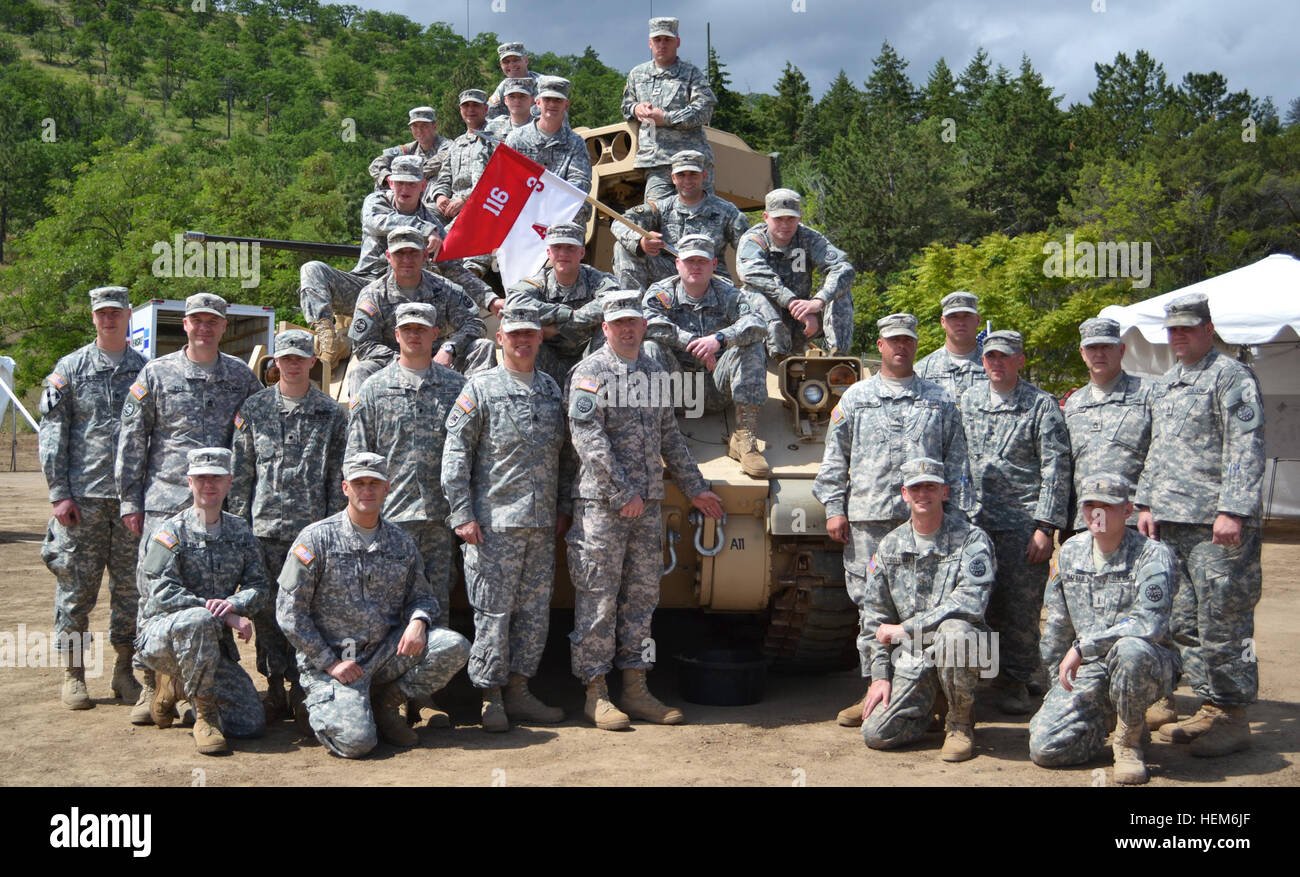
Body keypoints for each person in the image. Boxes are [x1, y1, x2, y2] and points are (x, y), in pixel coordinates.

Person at [567, 291, 723, 729]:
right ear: (605, 328)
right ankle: (595, 692)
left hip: (648, 503)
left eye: (633, 321)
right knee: (598, 599)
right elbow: (588, 440)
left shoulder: (654, 370)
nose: (627, 328)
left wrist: (695, 488)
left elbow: (670, 435)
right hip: (604, 506)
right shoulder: (590, 372)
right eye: (618, 323)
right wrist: (622, 494)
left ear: (643, 325)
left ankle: (636, 688)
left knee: (642, 599)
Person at [813, 313, 973, 727]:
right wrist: (834, 507)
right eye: (892, 341)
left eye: (907, 341)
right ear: (880, 346)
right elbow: (835, 458)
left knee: (930, 607)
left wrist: (958, 517)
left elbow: (957, 464)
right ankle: (874, 688)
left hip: (926, 521)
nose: (900, 347)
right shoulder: (855, 398)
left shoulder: (940, 400)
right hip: (870, 520)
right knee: (871, 607)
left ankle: (932, 693)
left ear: (916, 345)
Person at [116, 292, 262, 724]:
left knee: (214, 593)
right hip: (164, 502)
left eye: (212, 321)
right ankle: (151, 687)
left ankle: (201, 683)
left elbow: (252, 439)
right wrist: (130, 499)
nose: (204, 328)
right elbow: (132, 438)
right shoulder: (156, 373)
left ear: (223, 326)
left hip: (219, 506)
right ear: (185, 324)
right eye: (196, 320)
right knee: (153, 594)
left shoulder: (240, 378)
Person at [1136, 292, 1265, 756]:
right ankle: (1210, 706)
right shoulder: (1168, 382)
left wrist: (1233, 509)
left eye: (1189, 327)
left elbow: (1245, 448)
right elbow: (1157, 449)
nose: (1180, 336)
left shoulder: (1231, 376)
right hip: (1171, 523)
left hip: (1216, 526)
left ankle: (1234, 716)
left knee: (1224, 620)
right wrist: (1146, 503)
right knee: (1184, 621)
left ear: (1209, 329)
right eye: (1173, 329)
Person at [277, 452, 471, 758]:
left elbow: (422, 597)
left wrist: (418, 622)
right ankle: (314, 700)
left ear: (387, 488)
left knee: (454, 645)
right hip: (334, 661)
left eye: (374, 484)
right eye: (359, 483)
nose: (367, 490)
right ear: (345, 488)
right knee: (357, 743)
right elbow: (289, 613)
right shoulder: (315, 540)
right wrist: (330, 663)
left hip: (383, 654)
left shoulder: (400, 542)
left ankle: (386, 704)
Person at [442, 301, 574, 732]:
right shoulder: (479, 389)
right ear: (500, 338)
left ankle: (519, 691)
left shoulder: (551, 390)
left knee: (534, 613)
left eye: (529, 334)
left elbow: (566, 457)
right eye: (513, 333)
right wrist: (461, 513)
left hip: (539, 525)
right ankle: (490, 696)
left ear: (538, 338)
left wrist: (563, 507)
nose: (521, 340)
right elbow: (455, 454)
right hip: (492, 525)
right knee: (493, 614)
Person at [228, 329, 347, 721]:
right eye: (286, 358)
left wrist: (332, 531)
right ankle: (274, 685)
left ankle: (302, 685)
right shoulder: (254, 410)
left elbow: (335, 478)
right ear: (274, 363)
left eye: (301, 358)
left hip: (311, 533)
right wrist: (239, 528)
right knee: (267, 614)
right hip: (263, 531)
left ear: (313, 362)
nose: (293, 364)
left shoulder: (331, 413)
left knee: (306, 613)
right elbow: (242, 474)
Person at [1030, 472, 1179, 784]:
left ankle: (1130, 741)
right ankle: (1108, 719)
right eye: (1090, 506)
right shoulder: (1070, 553)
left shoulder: (1153, 555)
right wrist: (1051, 685)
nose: (1096, 514)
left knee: (1130, 649)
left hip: (1147, 661)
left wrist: (1084, 647)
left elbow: (1148, 623)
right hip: (1090, 667)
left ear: (1128, 511)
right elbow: (1058, 624)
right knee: (1045, 748)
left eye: (1107, 506)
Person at [38, 286, 146, 709]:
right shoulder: (70, 368)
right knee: (76, 590)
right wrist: (59, 493)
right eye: (102, 313)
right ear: (93, 316)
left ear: (128, 315)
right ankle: (74, 672)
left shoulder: (144, 370)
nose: (109, 319)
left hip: (127, 505)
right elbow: (52, 435)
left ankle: (124, 671)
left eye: (116, 312)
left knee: (130, 592)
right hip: (81, 503)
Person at [958, 329, 1070, 715]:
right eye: (990, 356)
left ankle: (1018, 680)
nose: (996, 363)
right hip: (975, 525)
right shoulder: (967, 401)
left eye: (1005, 356)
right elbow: (958, 459)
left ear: (1020, 360)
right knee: (977, 605)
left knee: (1021, 611)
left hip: (1023, 526)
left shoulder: (1041, 405)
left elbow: (1056, 469)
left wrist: (1045, 527)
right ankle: (981, 677)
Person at [299, 155, 494, 368]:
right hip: (365, 288)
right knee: (312, 269)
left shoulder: (435, 226)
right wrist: (425, 229)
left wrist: (492, 300)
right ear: (390, 182)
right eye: (399, 182)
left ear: (423, 185)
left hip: (406, 297)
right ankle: (329, 339)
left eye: (411, 183)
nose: (404, 189)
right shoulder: (377, 202)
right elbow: (376, 222)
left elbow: (455, 271)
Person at [860, 457, 996, 762]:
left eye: (931, 487)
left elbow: (971, 603)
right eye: (916, 487)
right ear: (905, 494)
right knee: (876, 734)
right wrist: (880, 676)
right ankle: (929, 707)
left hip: (966, 650)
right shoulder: (889, 547)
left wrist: (908, 628)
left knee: (955, 631)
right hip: (912, 658)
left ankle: (960, 722)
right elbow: (875, 617)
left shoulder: (972, 540)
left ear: (945, 492)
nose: (924, 493)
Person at [134, 448, 267, 755]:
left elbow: (259, 586)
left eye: (217, 478)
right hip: (162, 639)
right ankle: (205, 717)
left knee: (251, 723)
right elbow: (163, 591)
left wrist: (234, 604)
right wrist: (224, 615)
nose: (210, 484)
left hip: (207, 649)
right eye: (202, 478)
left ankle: (179, 688)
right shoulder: (170, 533)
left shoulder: (240, 531)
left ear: (229, 482)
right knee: (200, 618)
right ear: (189, 482)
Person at [345, 302, 464, 630]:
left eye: (422, 329)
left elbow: (472, 453)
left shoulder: (457, 388)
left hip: (440, 518)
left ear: (435, 334)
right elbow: (355, 459)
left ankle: (431, 679)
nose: (414, 335)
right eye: (408, 329)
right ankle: (390, 676)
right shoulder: (373, 389)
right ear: (396, 334)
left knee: (437, 602)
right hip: (391, 517)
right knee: (387, 602)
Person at [641, 235, 770, 477]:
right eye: (690, 261)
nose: (696, 267)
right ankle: (658, 438)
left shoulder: (728, 293)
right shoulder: (661, 293)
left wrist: (719, 339)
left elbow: (757, 324)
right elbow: (646, 322)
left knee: (752, 345)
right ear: (678, 264)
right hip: (677, 390)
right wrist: (688, 341)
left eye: (702, 261)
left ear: (713, 264)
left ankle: (744, 438)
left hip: (715, 386)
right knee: (650, 348)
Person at [347, 225, 494, 395]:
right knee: (361, 371)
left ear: (425, 255)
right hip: (392, 364)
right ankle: (361, 420)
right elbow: (364, 344)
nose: (407, 259)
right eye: (400, 253)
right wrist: (403, 361)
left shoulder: (444, 288)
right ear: (388, 256)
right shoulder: (373, 295)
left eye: (413, 253)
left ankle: (475, 410)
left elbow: (474, 323)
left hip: (440, 361)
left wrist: (450, 348)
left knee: (483, 347)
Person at [736, 189, 856, 357]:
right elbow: (752, 273)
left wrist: (818, 301)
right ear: (766, 217)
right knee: (751, 292)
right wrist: (792, 302)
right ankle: (779, 356)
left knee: (840, 290)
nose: (785, 225)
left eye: (790, 218)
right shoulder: (754, 240)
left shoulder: (809, 238)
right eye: (778, 219)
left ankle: (838, 355)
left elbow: (843, 268)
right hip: (766, 325)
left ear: (799, 217)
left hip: (803, 323)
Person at [611, 149, 749, 291]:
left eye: (693, 175)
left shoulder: (727, 211)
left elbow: (748, 250)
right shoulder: (661, 208)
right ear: (673, 178)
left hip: (709, 277)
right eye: (681, 175)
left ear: (704, 176)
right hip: (669, 274)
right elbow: (620, 222)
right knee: (622, 247)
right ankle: (633, 308)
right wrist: (640, 242)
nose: (687, 181)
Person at [1062, 317, 1153, 532]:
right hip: (1085, 519)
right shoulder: (1074, 403)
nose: (1099, 354)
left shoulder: (1148, 394)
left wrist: (1148, 506)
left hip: (1132, 517)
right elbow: (1066, 465)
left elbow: (1160, 456)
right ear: (1082, 353)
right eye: (1092, 347)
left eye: (1106, 347)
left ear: (1121, 350)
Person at [504, 222, 619, 388]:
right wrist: (565, 315)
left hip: (590, 357)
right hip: (546, 359)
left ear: (581, 252)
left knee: (611, 327)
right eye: (557, 247)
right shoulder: (539, 282)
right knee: (524, 331)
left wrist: (562, 324)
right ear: (549, 253)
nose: (563, 253)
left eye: (570, 247)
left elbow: (613, 301)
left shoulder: (597, 280)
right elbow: (514, 303)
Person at [621, 17, 717, 203]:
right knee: (655, 218)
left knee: (700, 215)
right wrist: (636, 108)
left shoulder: (691, 74)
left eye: (668, 39)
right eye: (657, 40)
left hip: (692, 163)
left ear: (677, 42)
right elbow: (626, 106)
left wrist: (666, 118)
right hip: (656, 162)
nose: (662, 44)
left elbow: (704, 109)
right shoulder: (637, 74)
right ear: (650, 43)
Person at [505, 76, 592, 224]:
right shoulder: (516, 139)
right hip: (523, 206)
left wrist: (549, 201)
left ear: (566, 105)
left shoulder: (575, 143)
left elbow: (580, 182)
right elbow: (506, 178)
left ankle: (566, 247)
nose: (552, 104)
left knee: (581, 207)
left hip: (559, 209)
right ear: (538, 103)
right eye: (547, 99)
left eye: (558, 100)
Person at [430, 89, 496, 227]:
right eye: (466, 106)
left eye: (475, 105)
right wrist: (440, 196)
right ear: (460, 110)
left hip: (480, 205)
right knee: (419, 218)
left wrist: (465, 200)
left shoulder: (494, 140)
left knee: (446, 236)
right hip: (451, 204)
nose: (470, 110)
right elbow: (445, 175)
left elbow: (494, 180)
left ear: (485, 108)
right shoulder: (457, 143)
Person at [914, 291, 988, 398]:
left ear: (978, 320)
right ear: (943, 322)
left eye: (967, 316)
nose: (960, 322)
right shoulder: (922, 371)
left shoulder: (995, 367)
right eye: (953, 317)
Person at [368, 106, 450, 194]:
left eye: (424, 126)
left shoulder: (447, 146)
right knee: (380, 183)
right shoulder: (410, 148)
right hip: (409, 197)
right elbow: (376, 164)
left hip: (433, 198)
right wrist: (388, 177)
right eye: (415, 126)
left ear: (435, 126)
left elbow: (430, 168)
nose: (419, 130)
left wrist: (401, 177)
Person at [486, 42, 541, 122]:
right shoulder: (504, 86)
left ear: (526, 60)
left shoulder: (542, 84)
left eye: (516, 60)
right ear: (501, 65)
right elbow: (488, 112)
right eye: (506, 62)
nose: (511, 65)